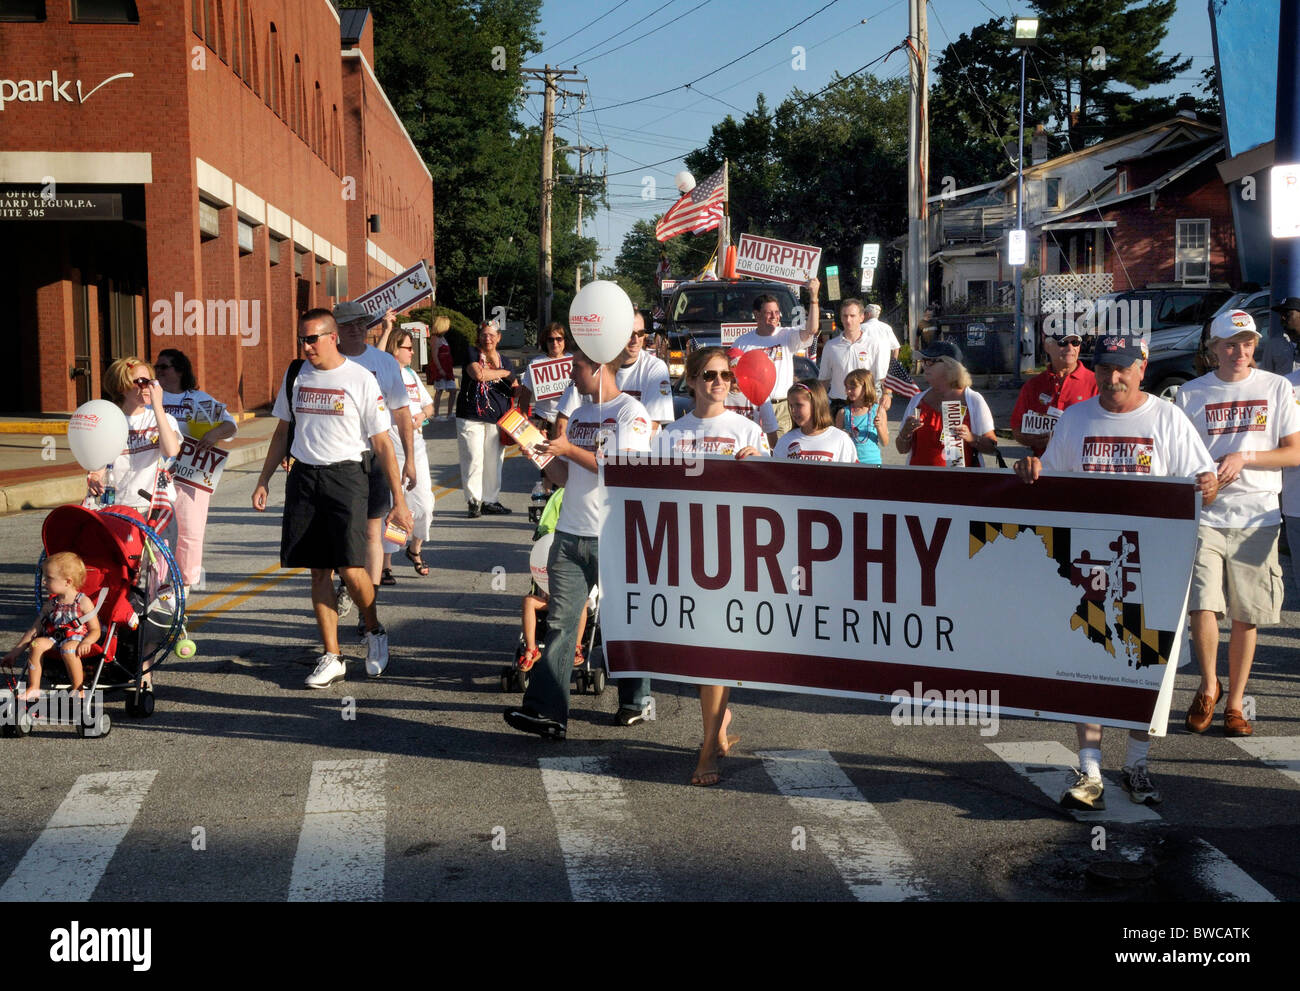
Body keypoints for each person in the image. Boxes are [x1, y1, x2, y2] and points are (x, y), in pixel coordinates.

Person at [1015, 332, 1219, 809]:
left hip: (1154, 567)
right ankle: (1088, 771)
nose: (1113, 376)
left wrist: (1208, 485)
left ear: (1141, 368)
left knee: (1145, 669)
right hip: (1088, 567)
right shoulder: (1075, 417)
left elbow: (1202, 487)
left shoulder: (1167, 418)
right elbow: (1053, 481)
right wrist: (1032, 469)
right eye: (1105, 368)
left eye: (1123, 367)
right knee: (1090, 665)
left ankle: (1137, 765)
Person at [252, 309, 413, 688]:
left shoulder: (359, 379)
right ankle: (332, 655)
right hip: (304, 478)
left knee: (351, 568)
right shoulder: (296, 374)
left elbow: (382, 444)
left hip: (346, 477)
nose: (306, 347)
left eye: (312, 339)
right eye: (302, 340)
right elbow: (282, 431)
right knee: (318, 569)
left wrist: (399, 501)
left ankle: (373, 629)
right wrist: (264, 479)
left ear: (332, 337)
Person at [503, 349, 653, 739]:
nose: (571, 376)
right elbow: (565, 477)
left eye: (577, 369)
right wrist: (540, 456)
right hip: (569, 533)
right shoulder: (582, 414)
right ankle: (547, 712)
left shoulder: (630, 411)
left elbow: (623, 469)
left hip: (614, 534)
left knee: (623, 622)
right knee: (559, 623)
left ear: (600, 368)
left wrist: (567, 448)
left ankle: (636, 700)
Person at [1175, 309, 1300, 738]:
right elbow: (1181, 457)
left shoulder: (1276, 387)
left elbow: (1294, 452)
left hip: (1259, 513)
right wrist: (1200, 479)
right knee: (1202, 605)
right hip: (1205, 515)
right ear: (1213, 350)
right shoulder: (1191, 394)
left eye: (1246, 344)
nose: (1239, 352)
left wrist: (1245, 457)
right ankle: (1209, 686)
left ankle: (1235, 701)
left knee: (1247, 613)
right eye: (1230, 344)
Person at [659, 346, 768, 785]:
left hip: (734, 558)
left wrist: (760, 464)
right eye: (708, 375)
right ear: (691, 381)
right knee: (695, 658)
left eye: (725, 375)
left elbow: (778, 496)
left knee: (713, 659)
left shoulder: (747, 429)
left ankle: (706, 752)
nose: (718, 382)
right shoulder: (669, 434)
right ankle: (718, 726)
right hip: (685, 558)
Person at [333, 301, 416, 622]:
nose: (355, 328)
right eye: (347, 323)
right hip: (336, 460)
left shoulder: (383, 362)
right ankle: (347, 583)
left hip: (377, 457)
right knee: (340, 532)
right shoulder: (325, 362)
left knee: (372, 533)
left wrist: (409, 459)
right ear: (335, 329)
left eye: (360, 323)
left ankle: (369, 609)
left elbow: (402, 413)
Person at [155, 348, 239, 593]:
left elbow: (230, 425)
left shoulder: (198, 399)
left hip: (192, 476)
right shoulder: (151, 398)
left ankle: (184, 590)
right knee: (158, 531)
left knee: (189, 531)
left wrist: (213, 434)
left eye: (164, 367)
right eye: (156, 367)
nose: (158, 371)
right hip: (159, 476)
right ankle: (157, 586)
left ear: (179, 370)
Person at [86, 357, 183, 546]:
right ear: (122, 387)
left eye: (151, 382)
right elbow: (99, 465)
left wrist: (157, 407)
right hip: (116, 507)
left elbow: (171, 450)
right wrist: (94, 478)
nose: (147, 387)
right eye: (141, 382)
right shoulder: (108, 421)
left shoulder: (162, 418)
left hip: (153, 508)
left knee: (155, 573)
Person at [554, 310, 674, 434]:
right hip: (592, 449)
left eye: (641, 333)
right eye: (629, 334)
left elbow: (651, 427)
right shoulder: (593, 364)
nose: (636, 339)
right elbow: (563, 419)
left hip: (635, 450)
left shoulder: (655, 368)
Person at [4, 552, 101, 703]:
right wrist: (15, 652)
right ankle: (34, 687)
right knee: (36, 644)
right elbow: (34, 630)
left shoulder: (83, 602)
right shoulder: (51, 604)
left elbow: (95, 629)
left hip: (76, 639)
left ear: (67, 582)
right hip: (55, 637)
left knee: (68, 648)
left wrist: (87, 641)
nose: (44, 582)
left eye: (49, 578)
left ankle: (78, 688)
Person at [732, 278, 821, 433]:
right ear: (757, 315)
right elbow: (734, 374)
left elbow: (812, 329)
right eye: (768, 313)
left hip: (782, 407)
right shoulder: (742, 342)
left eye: (777, 312)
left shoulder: (787, 336)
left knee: (778, 453)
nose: (774, 316)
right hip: (753, 408)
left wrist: (814, 297)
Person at [382, 327, 435, 580]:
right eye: (408, 348)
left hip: (417, 449)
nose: (413, 352)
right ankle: (386, 564)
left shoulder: (412, 375)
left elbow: (430, 406)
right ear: (395, 348)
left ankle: (414, 549)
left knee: (425, 504)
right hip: (392, 449)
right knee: (394, 506)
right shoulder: (383, 374)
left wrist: (422, 415)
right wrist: (387, 329)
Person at [895, 341, 998, 467]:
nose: (924, 366)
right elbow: (902, 449)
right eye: (923, 361)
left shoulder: (973, 400)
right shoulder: (917, 400)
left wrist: (972, 438)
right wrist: (905, 433)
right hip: (921, 480)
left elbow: (992, 447)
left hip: (961, 481)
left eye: (930, 361)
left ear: (950, 365)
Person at [456, 321, 516, 518]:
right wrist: (504, 374)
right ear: (478, 337)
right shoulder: (472, 353)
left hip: (497, 418)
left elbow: (515, 386)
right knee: (473, 458)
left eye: (491, 335)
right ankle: (474, 502)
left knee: (493, 461)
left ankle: (490, 500)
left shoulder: (505, 360)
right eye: (484, 335)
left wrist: (507, 375)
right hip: (471, 415)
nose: (487, 338)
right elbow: (478, 374)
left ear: (499, 337)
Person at [1010, 332, 1098, 457]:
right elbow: (1016, 427)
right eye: (1063, 343)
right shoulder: (1033, 385)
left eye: (1075, 343)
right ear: (1047, 346)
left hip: (1082, 467)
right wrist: (1031, 439)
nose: (1070, 348)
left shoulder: (1096, 383)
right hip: (1043, 467)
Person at [818, 299, 887, 420]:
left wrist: (887, 394)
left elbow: (882, 378)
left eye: (852, 316)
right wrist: (818, 406)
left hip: (865, 406)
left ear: (862, 317)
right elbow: (824, 380)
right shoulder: (830, 346)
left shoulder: (875, 344)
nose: (848, 320)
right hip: (838, 405)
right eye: (845, 316)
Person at [773, 380, 858, 463]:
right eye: (791, 405)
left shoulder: (840, 440)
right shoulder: (785, 441)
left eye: (799, 405)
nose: (793, 410)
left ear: (816, 404)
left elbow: (851, 474)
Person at [837, 369, 889, 465]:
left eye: (853, 387)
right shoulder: (843, 413)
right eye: (847, 387)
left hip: (873, 462)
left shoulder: (878, 411)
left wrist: (879, 426)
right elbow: (836, 443)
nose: (848, 391)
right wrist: (842, 435)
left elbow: (885, 442)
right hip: (849, 463)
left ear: (865, 388)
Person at [1258, 297, 1300, 374]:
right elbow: (1265, 375)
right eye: (1281, 314)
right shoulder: (1274, 343)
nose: (1282, 318)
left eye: (1287, 314)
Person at [427, 315, 458, 419]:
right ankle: (436, 414)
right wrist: (440, 369)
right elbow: (434, 356)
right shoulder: (435, 338)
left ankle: (449, 413)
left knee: (453, 390)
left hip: (447, 367)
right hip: (440, 367)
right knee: (439, 391)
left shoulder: (442, 337)